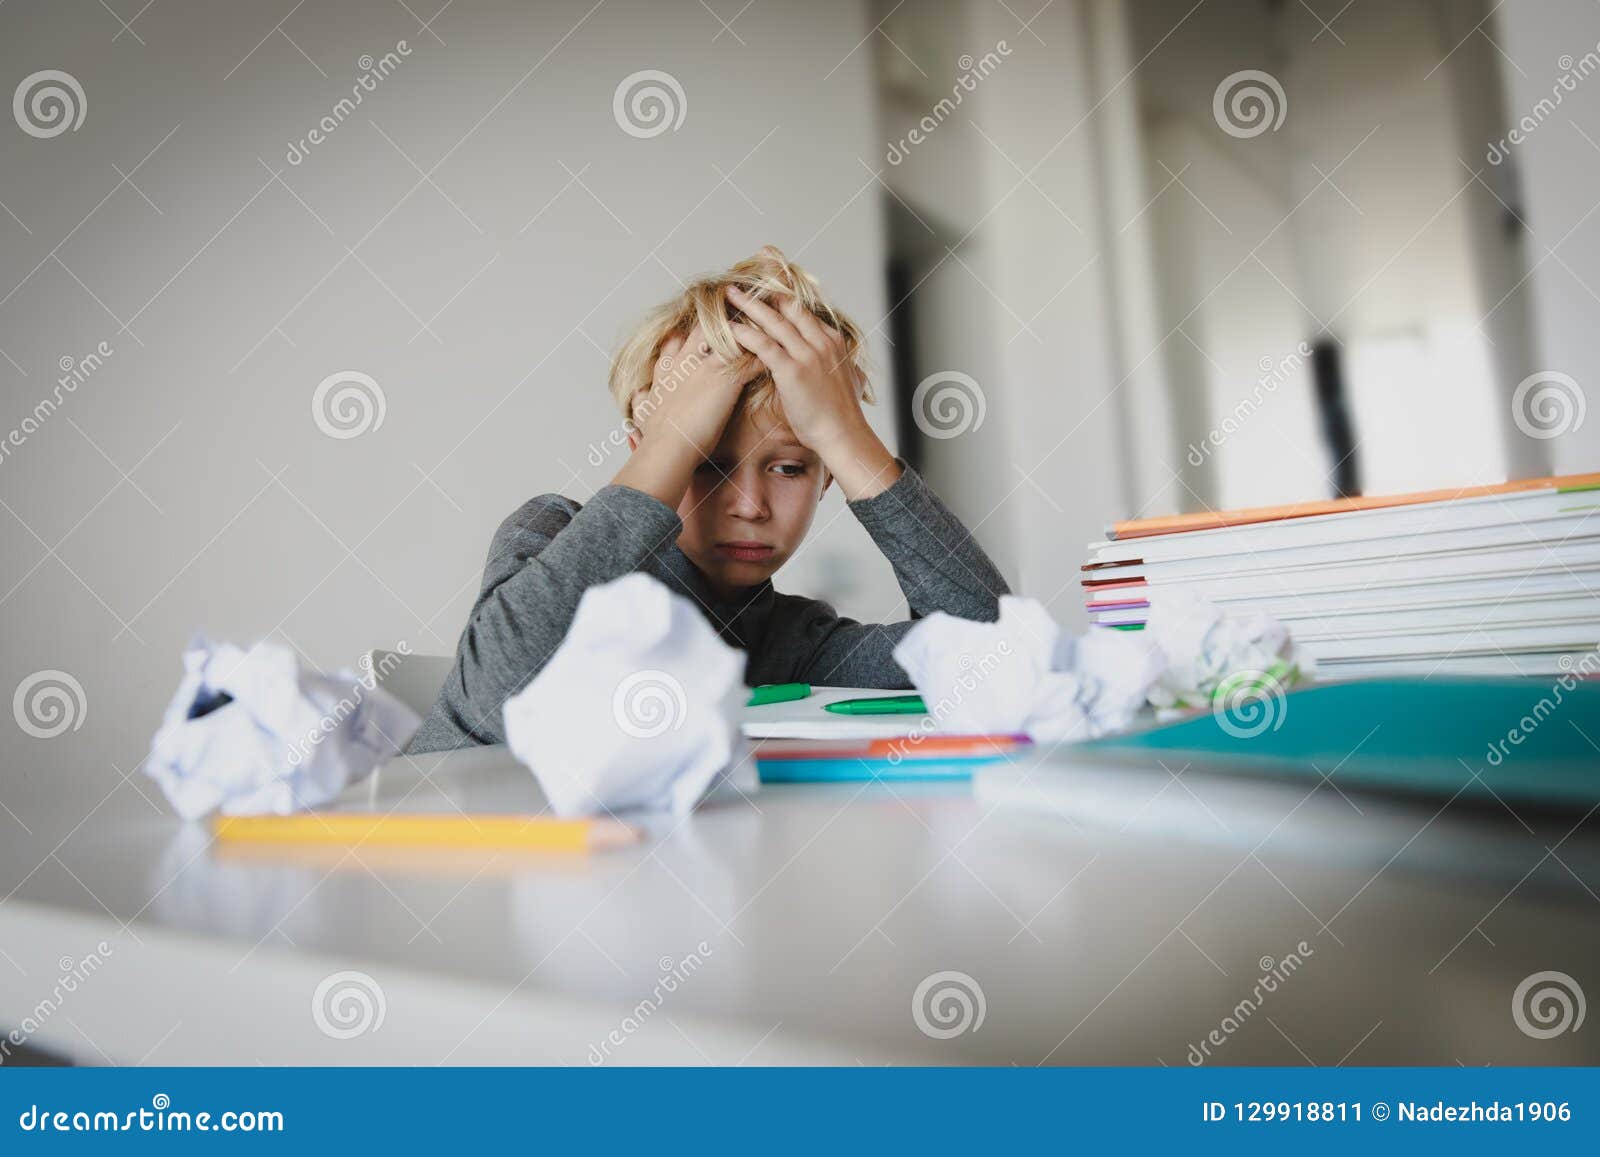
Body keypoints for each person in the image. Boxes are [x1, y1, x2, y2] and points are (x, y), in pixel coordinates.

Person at [407, 246, 1008, 752]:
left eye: (791, 467)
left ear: (827, 476)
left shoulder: (790, 645)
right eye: (705, 464)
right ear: (652, 454)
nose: (749, 505)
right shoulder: (551, 535)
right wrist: (673, 440)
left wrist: (846, 436)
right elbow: (497, 701)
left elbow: (990, 654)